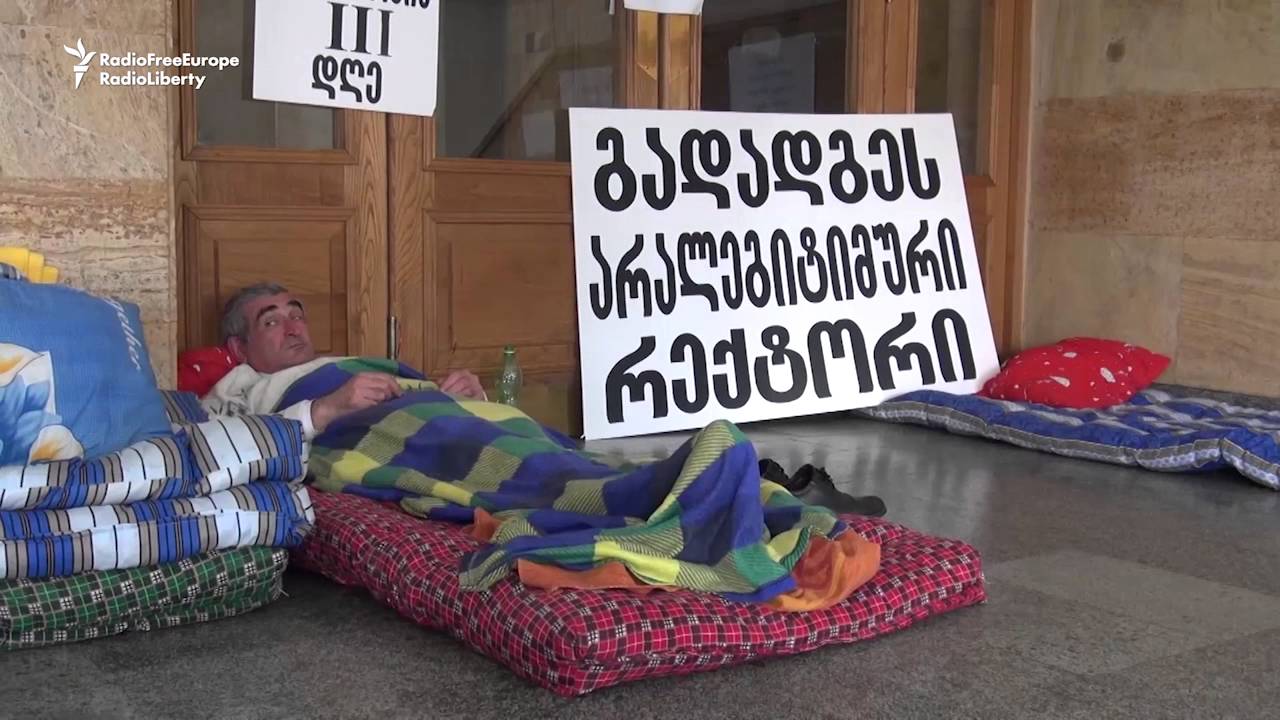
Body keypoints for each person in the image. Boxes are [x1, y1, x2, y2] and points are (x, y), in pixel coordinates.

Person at [200, 283, 486, 439]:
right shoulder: (240, 387)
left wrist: (469, 397)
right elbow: (219, 448)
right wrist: (328, 408)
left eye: (297, 316)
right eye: (272, 322)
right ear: (239, 348)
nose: (293, 329)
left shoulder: (347, 364)